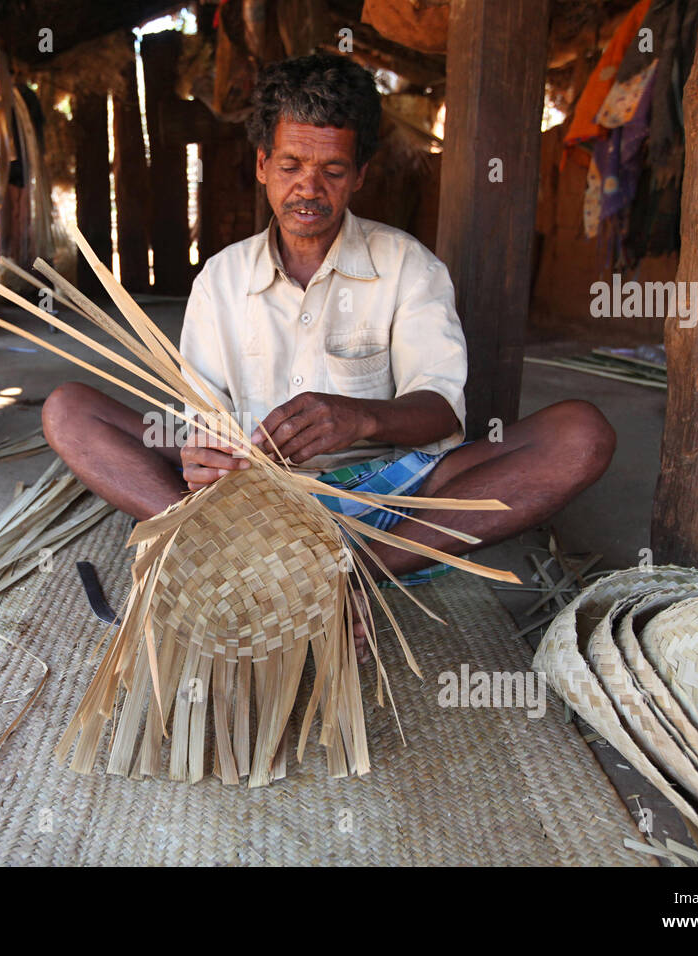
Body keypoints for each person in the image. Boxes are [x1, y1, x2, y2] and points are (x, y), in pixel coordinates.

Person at [41, 54, 616, 658]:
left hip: (394, 498)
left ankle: (354, 568)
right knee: (69, 410)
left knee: (581, 433)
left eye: (332, 170)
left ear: (360, 174)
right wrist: (205, 454)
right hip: (251, 500)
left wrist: (361, 417)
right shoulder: (221, 280)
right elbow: (204, 419)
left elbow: (442, 411)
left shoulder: (407, 266)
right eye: (289, 165)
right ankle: (222, 546)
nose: (308, 189)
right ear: (262, 165)